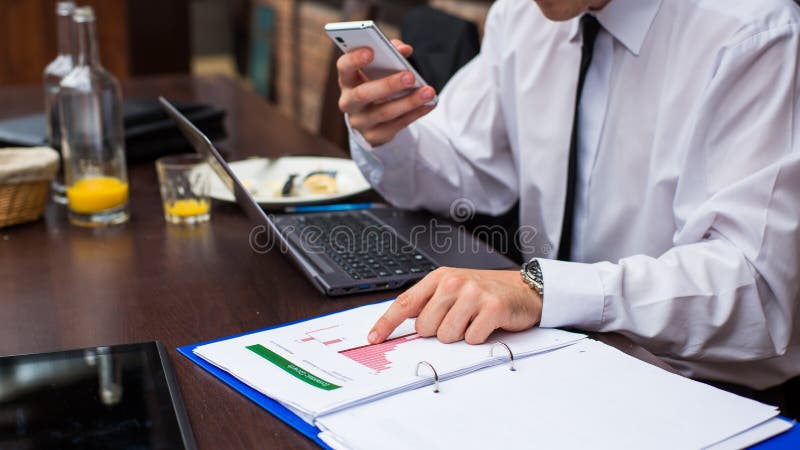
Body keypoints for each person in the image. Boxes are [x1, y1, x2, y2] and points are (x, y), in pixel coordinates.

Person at [336, 0, 800, 403]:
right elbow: (462, 163)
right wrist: (388, 134)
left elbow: (755, 291)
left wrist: (542, 290)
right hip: (541, 362)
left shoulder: (755, 32)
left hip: (702, 392)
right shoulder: (523, 17)